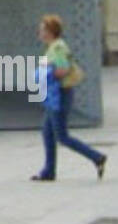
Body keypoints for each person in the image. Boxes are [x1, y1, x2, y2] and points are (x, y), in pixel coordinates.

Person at [32, 13, 106, 181]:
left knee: (62, 136)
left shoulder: (58, 48)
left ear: (50, 31)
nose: (40, 32)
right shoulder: (53, 47)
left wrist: (46, 73)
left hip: (60, 94)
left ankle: (97, 157)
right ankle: (48, 171)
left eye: (43, 29)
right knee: (47, 133)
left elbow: (63, 69)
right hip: (54, 94)